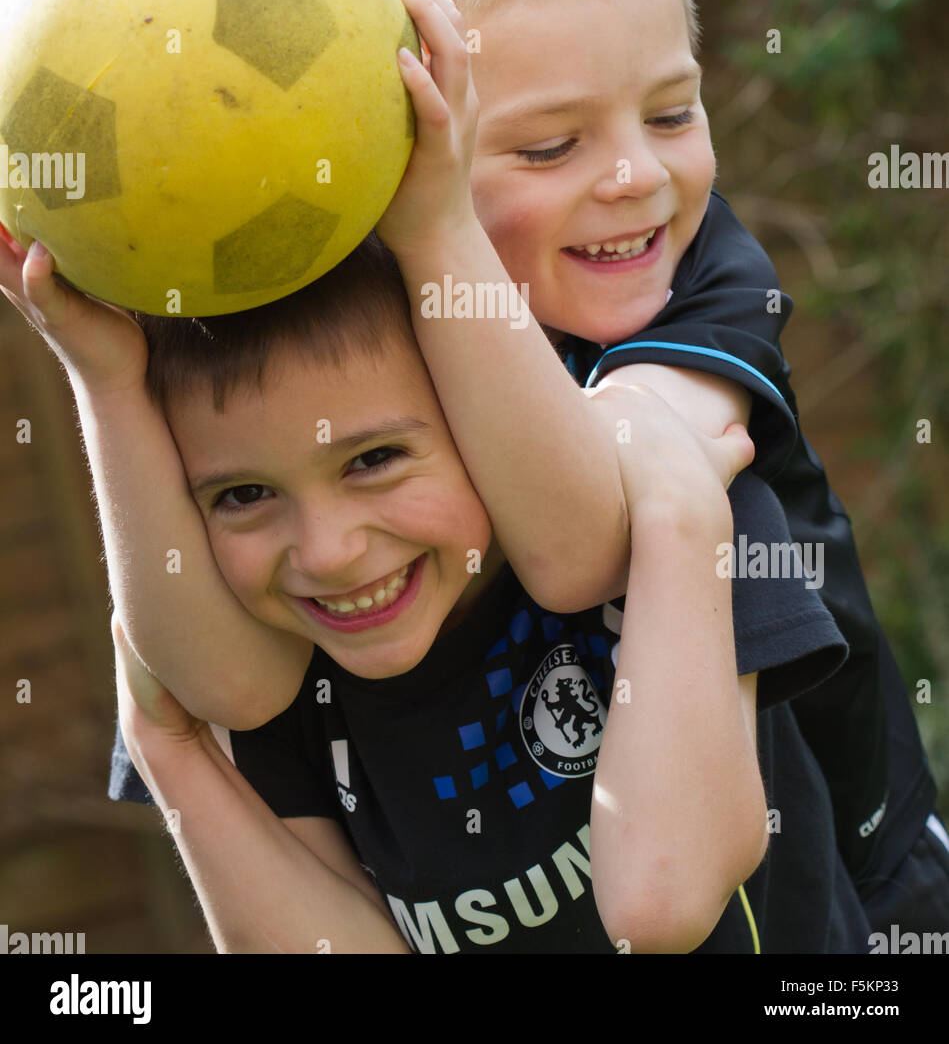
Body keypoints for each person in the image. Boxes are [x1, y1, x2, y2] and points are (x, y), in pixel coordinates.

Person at [331, 0, 949, 933]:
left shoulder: (710, 278)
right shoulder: (361, 319)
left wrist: (436, 233)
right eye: (548, 147)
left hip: (859, 887)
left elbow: (581, 543)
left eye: (671, 114)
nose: (634, 176)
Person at [0, 219, 869, 952]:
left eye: (374, 460)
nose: (330, 552)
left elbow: (662, 902)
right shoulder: (277, 669)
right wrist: (171, 749)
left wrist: (682, 519)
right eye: (244, 495)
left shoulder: (673, 520)